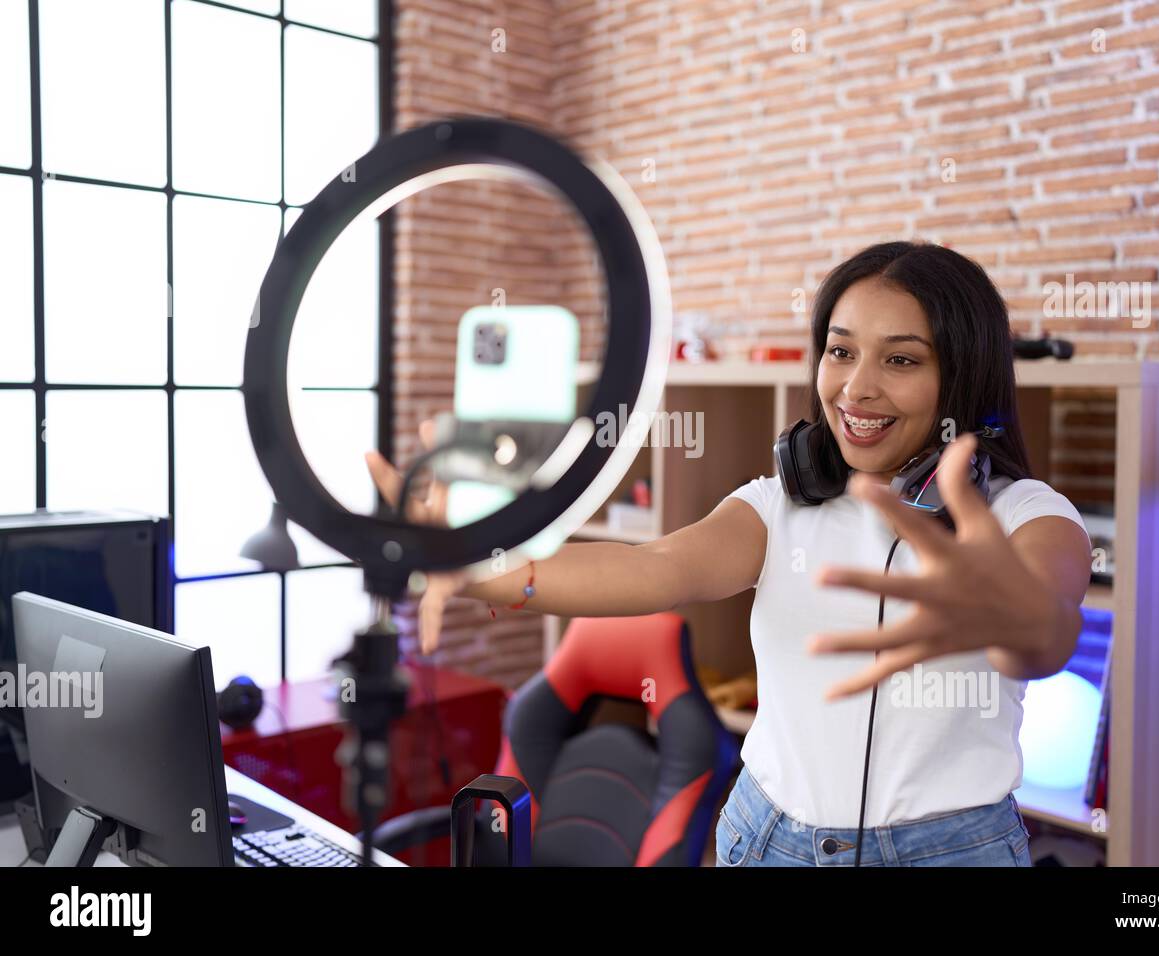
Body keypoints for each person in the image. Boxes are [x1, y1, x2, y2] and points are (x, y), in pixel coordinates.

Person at [365, 240, 1092, 867]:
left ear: (962, 377)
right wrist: (480, 563)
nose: (856, 387)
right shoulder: (780, 503)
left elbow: (1048, 627)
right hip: (767, 835)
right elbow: (654, 568)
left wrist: (1014, 618)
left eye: (900, 359)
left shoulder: (1027, 515)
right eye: (840, 350)